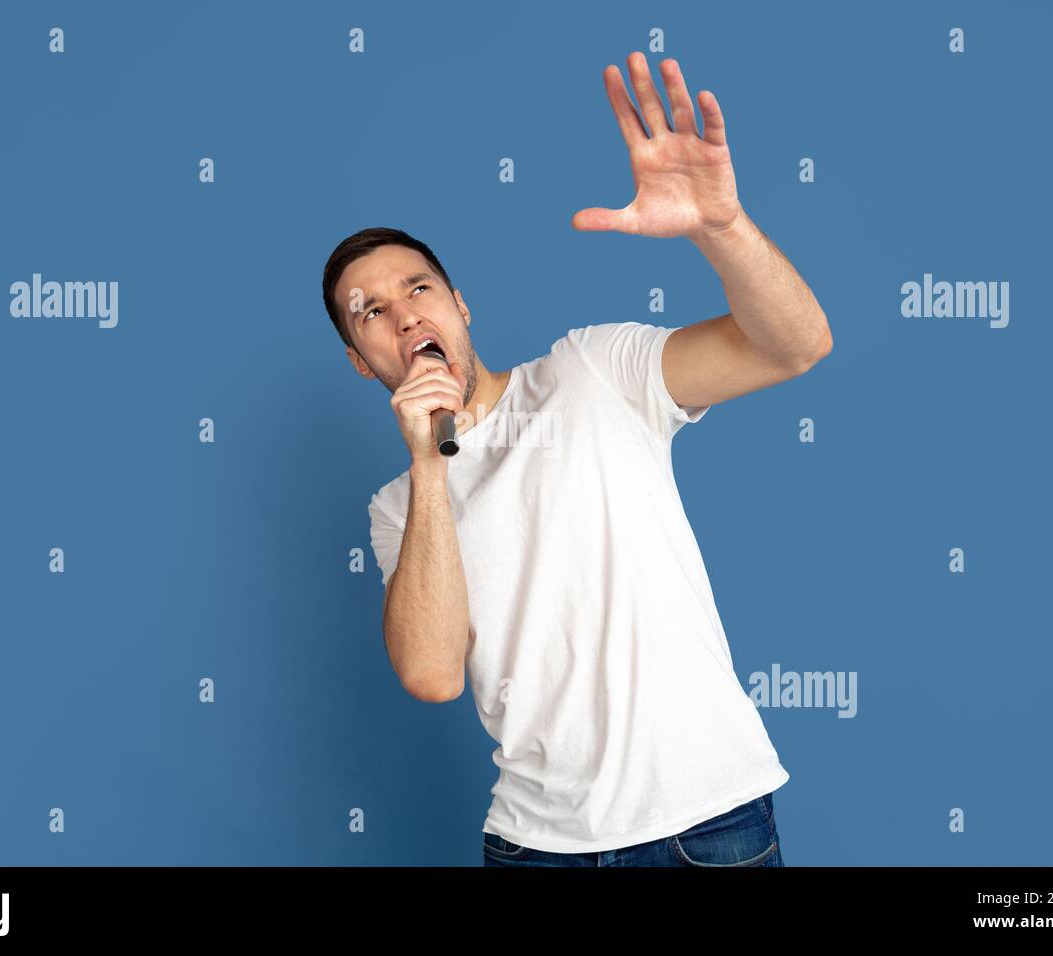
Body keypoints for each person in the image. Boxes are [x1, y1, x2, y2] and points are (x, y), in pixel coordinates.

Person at [321, 53, 831, 866]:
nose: (402, 314)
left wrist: (721, 227)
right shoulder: (398, 508)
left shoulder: (592, 371)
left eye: (418, 289)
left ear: (459, 304)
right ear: (361, 359)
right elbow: (432, 676)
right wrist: (429, 467)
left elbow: (795, 346)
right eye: (370, 313)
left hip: (712, 823)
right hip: (539, 848)